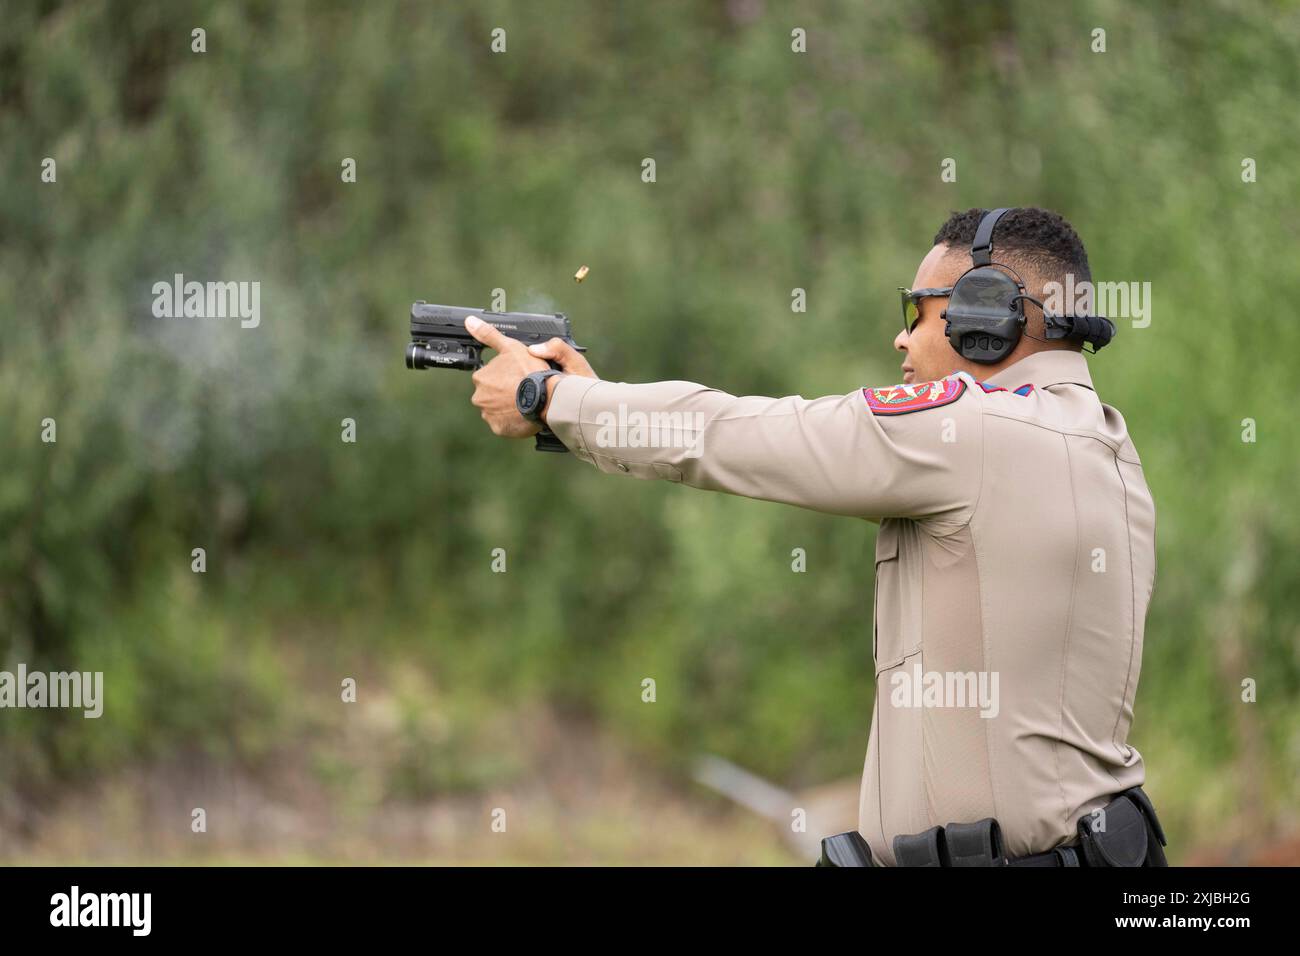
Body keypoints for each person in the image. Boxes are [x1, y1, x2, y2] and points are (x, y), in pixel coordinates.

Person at [464, 207, 1166, 867]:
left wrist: (549, 398)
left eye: (915, 310)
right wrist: (595, 405)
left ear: (986, 317)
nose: (900, 337)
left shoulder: (972, 433)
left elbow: (734, 434)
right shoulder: (1100, 441)